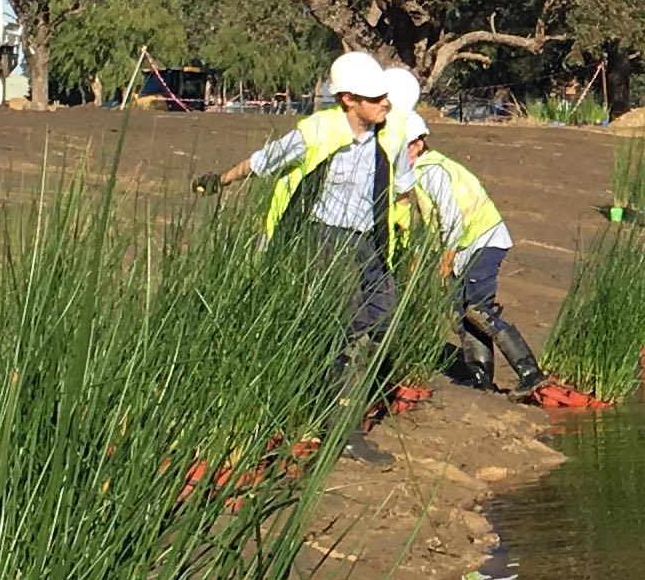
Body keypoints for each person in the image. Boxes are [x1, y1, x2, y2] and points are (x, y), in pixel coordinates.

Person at [199, 51, 412, 437]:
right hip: (323, 238)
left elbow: (402, 191)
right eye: (375, 97)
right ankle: (339, 424)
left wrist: (404, 235)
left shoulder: (393, 131)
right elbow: (264, 161)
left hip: (371, 240)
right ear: (348, 99)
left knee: (385, 313)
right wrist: (220, 179)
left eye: (385, 95)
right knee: (340, 321)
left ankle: (326, 351)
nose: (386, 102)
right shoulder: (316, 130)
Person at [386, 80, 537, 393]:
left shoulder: (432, 170)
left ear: (417, 144)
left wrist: (446, 260)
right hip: (470, 244)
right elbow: (431, 222)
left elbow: (451, 220)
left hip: (482, 240)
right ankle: (480, 377)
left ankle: (530, 372)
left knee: (478, 309)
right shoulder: (422, 171)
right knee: (462, 311)